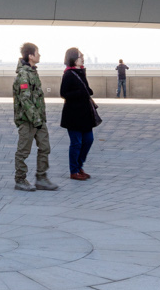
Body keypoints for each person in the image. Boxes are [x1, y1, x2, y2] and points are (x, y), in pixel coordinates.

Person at [13, 42, 58, 190]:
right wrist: (36, 119)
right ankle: (20, 180)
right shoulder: (24, 75)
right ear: (31, 56)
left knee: (45, 147)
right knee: (23, 151)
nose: (40, 55)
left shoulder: (32, 72)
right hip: (27, 120)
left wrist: (39, 119)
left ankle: (41, 178)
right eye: (37, 53)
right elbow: (25, 100)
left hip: (38, 119)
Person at [60, 47, 99, 180]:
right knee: (76, 143)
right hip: (73, 115)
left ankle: (79, 166)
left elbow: (85, 89)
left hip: (85, 114)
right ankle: (74, 171)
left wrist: (87, 90)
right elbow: (63, 93)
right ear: (73, 59)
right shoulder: (68, 74)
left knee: (88, 140)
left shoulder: (81, 72)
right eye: (80, 56)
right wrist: (80, 92)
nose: (82, 58)